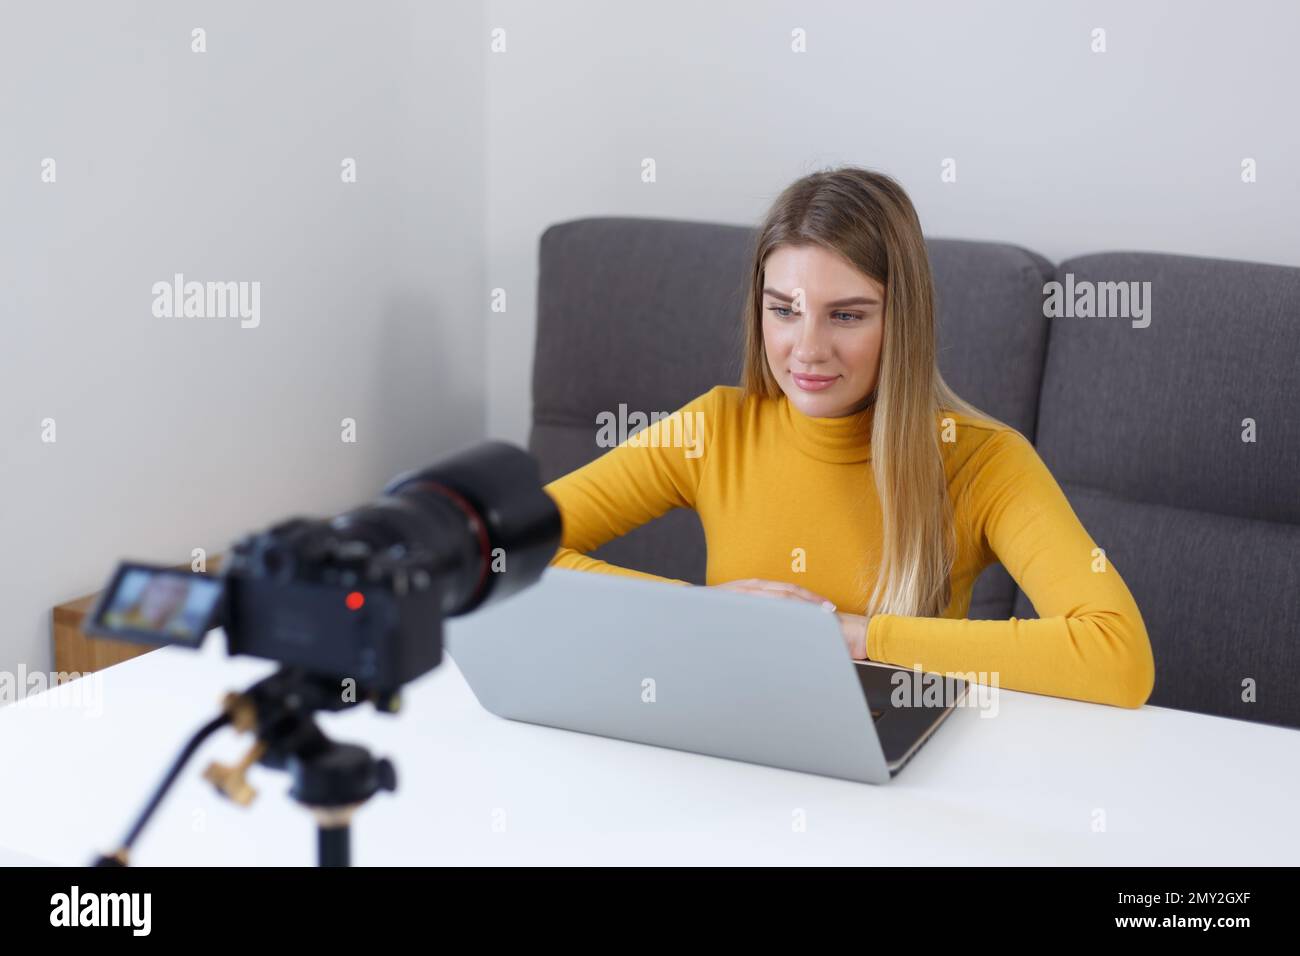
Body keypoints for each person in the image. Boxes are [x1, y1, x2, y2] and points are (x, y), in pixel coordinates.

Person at [542, 166, 1155, 708]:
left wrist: (860, 638)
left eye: (846, 315)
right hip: (733, 734)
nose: (807, 349)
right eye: (784, 309)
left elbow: (1115, 654)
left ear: (901, 321)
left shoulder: (983, 460)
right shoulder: (715, 429)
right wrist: (704, 614)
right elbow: (513, 549)